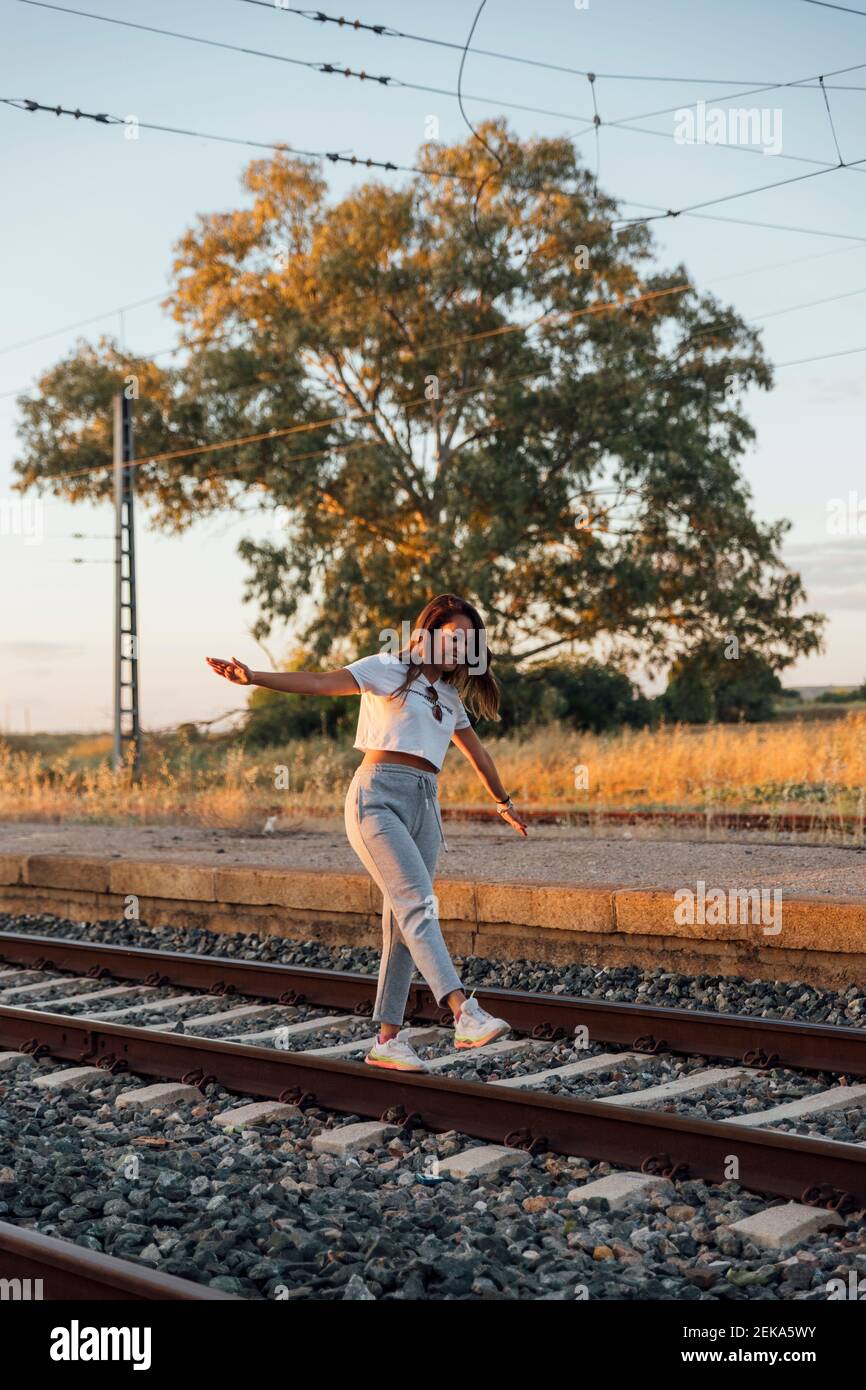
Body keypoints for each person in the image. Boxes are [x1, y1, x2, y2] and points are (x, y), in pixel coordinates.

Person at [206, 592, 528, 1072]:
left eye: (468, 641)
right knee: (419, 905)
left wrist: (503, 802)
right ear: (427, 633)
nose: (460, 647)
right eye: (453, 635)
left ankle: (387, 1041)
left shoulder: (450, 698)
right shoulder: (387, 668)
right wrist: (254, 677)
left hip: (425, 803)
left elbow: (478, 755)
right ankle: (465, 1012)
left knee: (402, 923)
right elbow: (318, 681)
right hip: (375, 799)